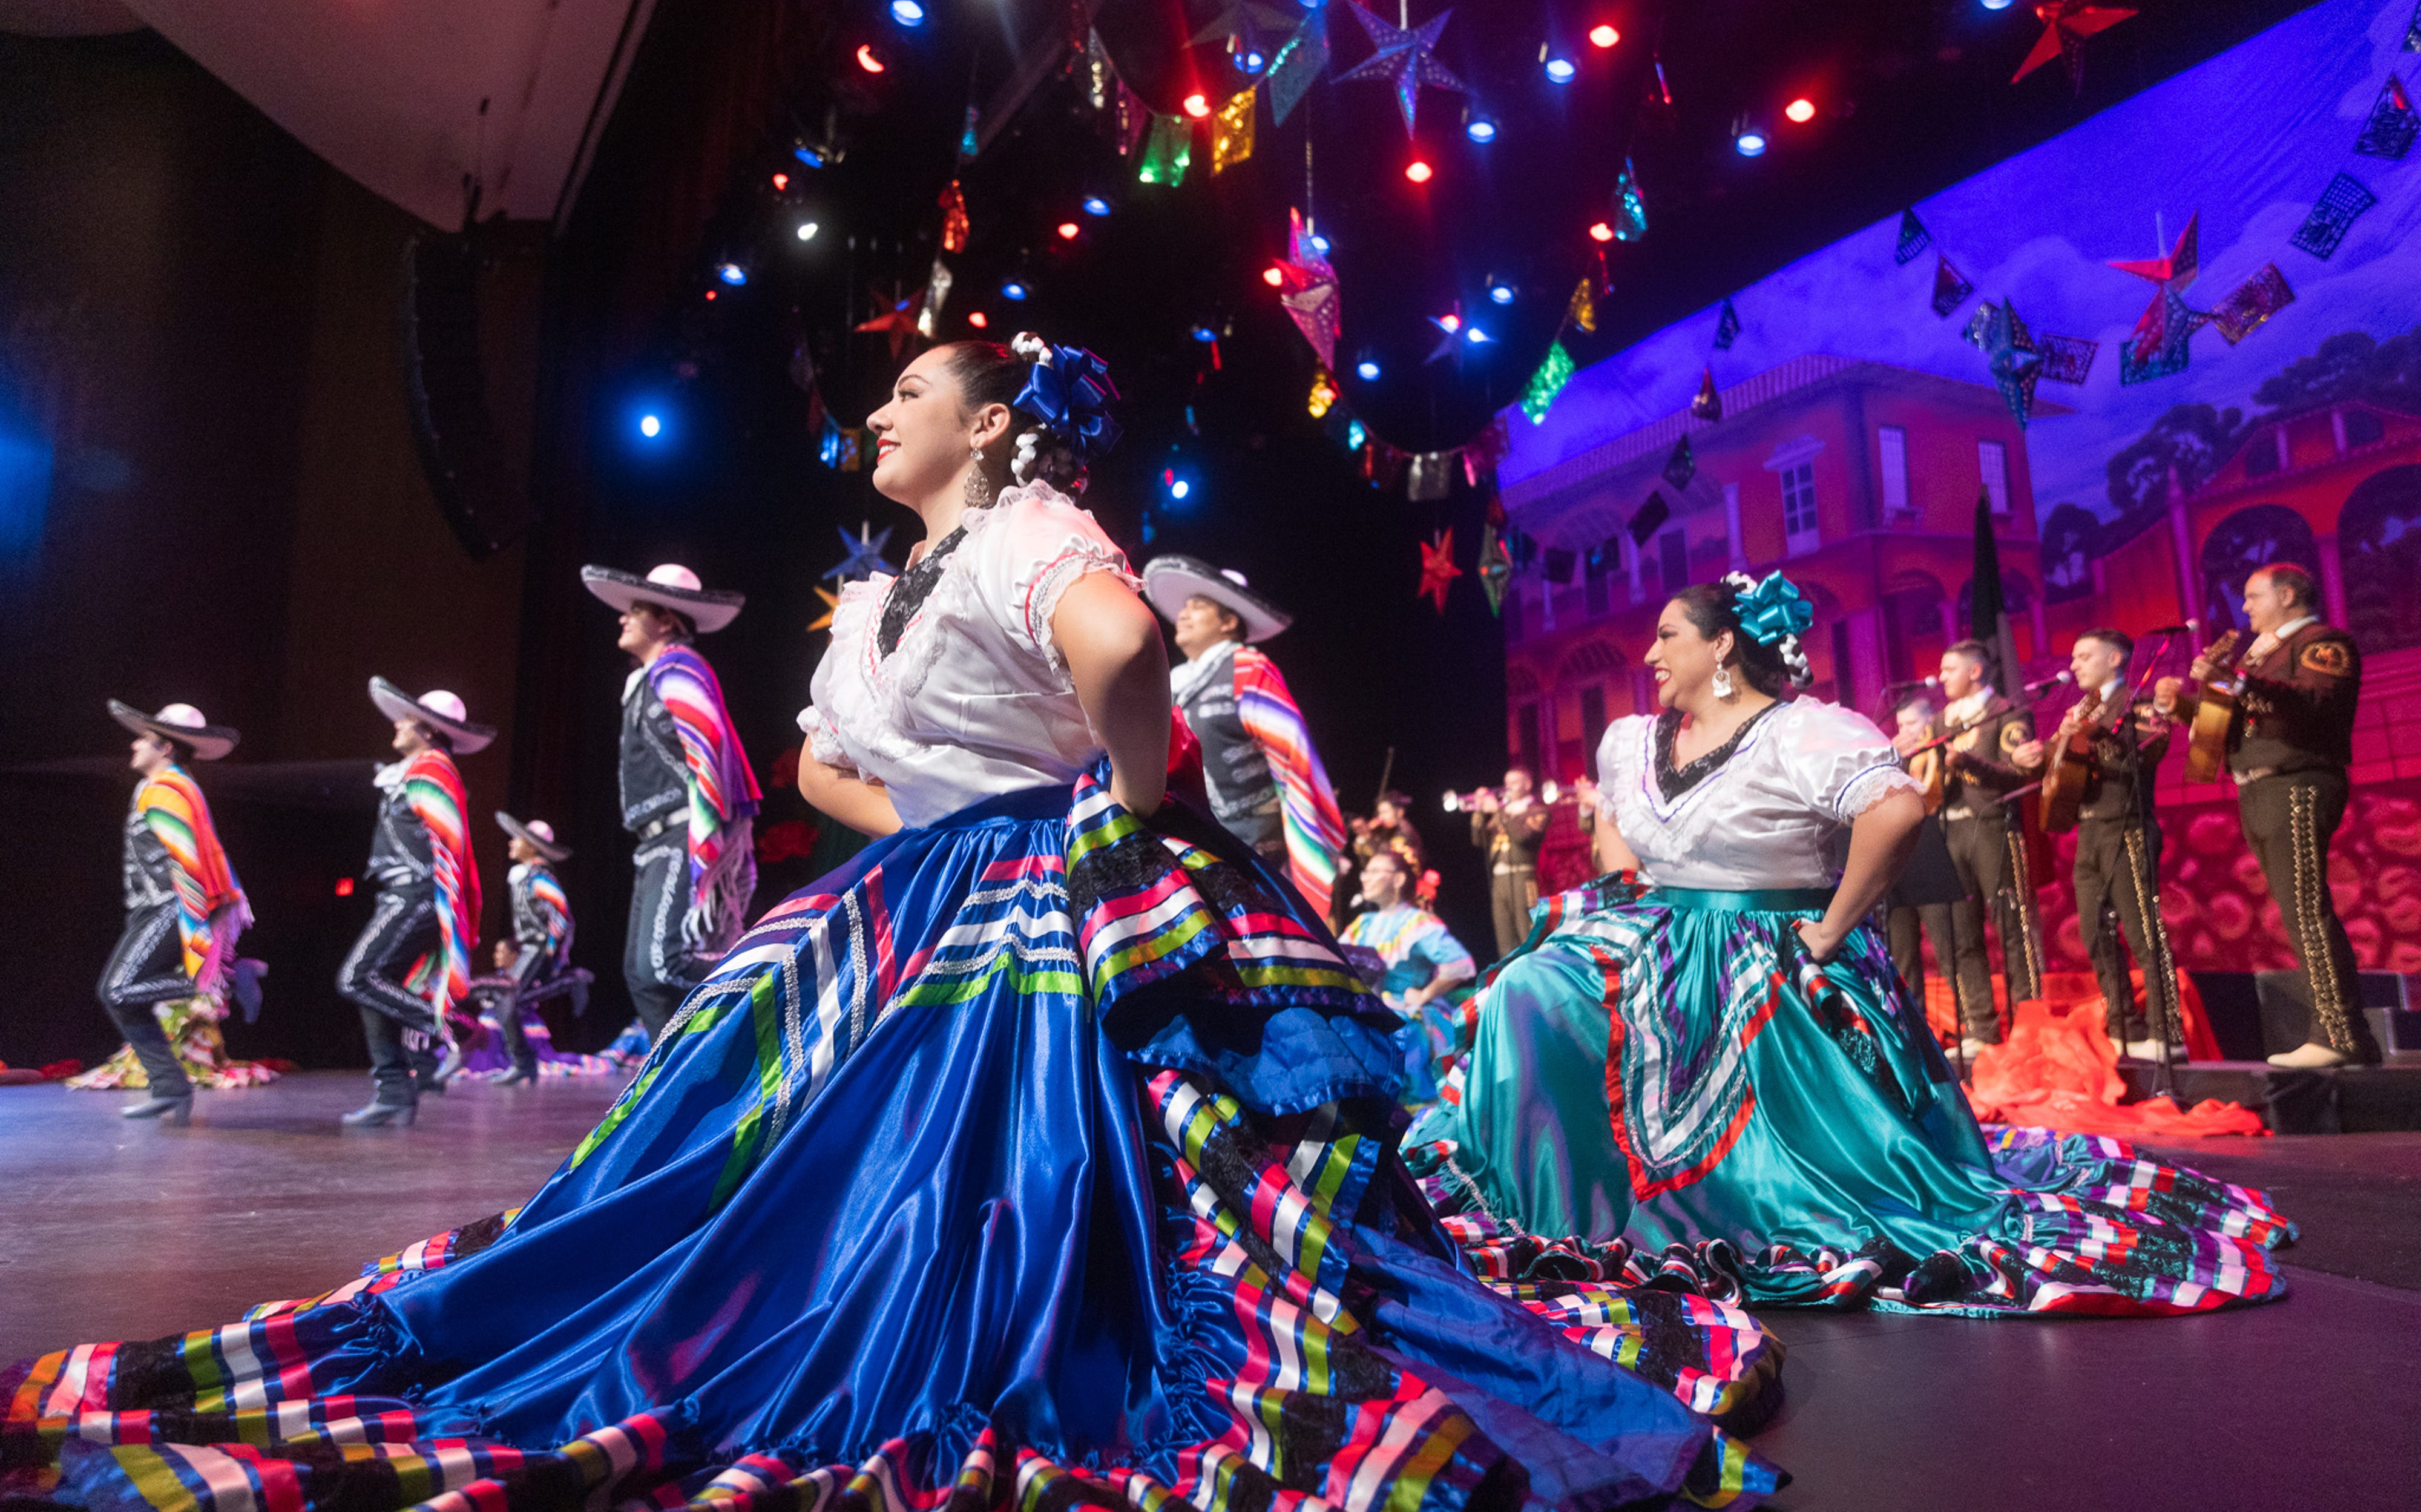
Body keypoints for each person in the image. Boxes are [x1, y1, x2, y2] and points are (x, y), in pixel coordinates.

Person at [9, 334, 1787, 1512]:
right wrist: (987, 817)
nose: (878, 416)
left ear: (987, 426)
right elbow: (830, 763)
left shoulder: (1026, 532)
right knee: (822, 1161)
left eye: (910, 394)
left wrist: (1122, 812)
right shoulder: (884, 593)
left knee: (1000, 1169)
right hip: (958, 879)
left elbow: (1122, 655)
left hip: (1024, 884)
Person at [1409, 572, 2290, 1315]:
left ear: (1722, 646)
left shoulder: (1804, 729)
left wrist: (1830, 927)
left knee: (1781, 1092)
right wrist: (1627, 912)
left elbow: (1898, 807)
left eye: (1668, 636)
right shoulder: (1633, 740)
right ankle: (1557, 1202)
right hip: (1661, 938)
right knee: (1525, 987)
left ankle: (1723, 1200)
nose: (1650, 656)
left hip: (1771, 946)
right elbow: (1618, 835)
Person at [2157, 563, 2374, 1068]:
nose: (2246, 608)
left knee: (2305, 907)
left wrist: (2233, 678)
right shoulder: (2264, 654)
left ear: (2289, 595)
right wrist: (2184, 708)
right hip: (2259, 785)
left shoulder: (2322, 641)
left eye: (2254, 597)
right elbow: (2231, 723)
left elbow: (2311, 704)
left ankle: (2341, 1034)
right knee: (2296, 908)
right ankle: (2339, 1031)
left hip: (2297, 780)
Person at [580, 561, 763, 1042]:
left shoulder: (678, 665)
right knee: (643, 973)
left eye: (635, 611)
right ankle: (674, 1087)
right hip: (657, 838)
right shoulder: (649, 679)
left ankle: (762, 986)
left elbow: (708, 750)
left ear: (665, 621)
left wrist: (709, 839)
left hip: (685, 830)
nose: (622, 619)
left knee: (663, 963)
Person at [82, 701, 260, 1123]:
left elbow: (191, 861)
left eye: (142, 739)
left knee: (118, 991)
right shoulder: (164, 785)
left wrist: (197, 928)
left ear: (164, 747)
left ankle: (226, 980)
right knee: (122, 997)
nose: (134, 744)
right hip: (151, 906)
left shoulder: (169, 789)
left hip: (171, 906)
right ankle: (171, 1087)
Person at [1143, 554, 1348, 919]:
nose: (1184, 615)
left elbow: (1293, 759)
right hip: (1192, 854)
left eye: (1199, 606)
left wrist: (1306, 855)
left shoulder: (1248, 669)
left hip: (1256, 861)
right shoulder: (1170, 685)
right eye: (1184, 608)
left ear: (1229, 622)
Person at [2015, 629, 2181, 1060]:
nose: (2074, 665)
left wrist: (2089, 732)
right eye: (2074, 656)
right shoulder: (2081, 709)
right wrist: (2039, 756)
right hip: (2088, 830)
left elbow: (2141, 754)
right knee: (2094, 932)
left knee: (2144, 931)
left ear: (2114, 659)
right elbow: (2064, 765)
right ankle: (2124, 1026)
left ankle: (2168, 1032)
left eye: (2084, 656)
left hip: (2125, 825)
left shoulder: (2134, 702)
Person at [333, 679, 490, 1126]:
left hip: (418, 893)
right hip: (400, 894)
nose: (397, 726)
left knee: (358, 978)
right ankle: (395, 1093)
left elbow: (448, 841)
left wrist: (441, 901)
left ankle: (458, 1027)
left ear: (427, 729)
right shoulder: (415, 770)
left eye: (406, 720)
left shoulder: (433, 769)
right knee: (375, 989)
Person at [1934, 639, 2038, 1045]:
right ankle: (1979, 1025)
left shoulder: (2006, 714)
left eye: (1949, 669)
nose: (1941, 677)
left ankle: (2030, 1022)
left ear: (1975, 671)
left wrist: (1969, 762)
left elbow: (2018, 775)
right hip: (1950, 829)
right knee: (1960, 933)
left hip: (1993, 826)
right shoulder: (1942, 721)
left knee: (2010, 924)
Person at [1339, 844, 1478, 1106]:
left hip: (1405, 1014)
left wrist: (1426, 993)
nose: (1364, 877)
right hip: (1365, 1011)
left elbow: (1460, 964)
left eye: (1374, 871)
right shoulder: (1362, 925)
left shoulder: (1417, 923)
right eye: (1364, 872)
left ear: (1399, 879)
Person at [465, 812, 586, 1085]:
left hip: (538, 949)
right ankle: (523, 1063)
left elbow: (562, 916)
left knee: (506, 998)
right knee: (506, 1001)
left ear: (530, 847)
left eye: (516, 841)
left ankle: (524, 1062)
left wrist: (555, 951)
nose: (511, 845)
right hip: (529, 948)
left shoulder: (540, 878)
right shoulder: (523, 877)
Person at [1882, 695, 1968, 1054]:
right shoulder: (1900, 759)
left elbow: (1939, 794)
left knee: (1950, 944)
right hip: (1904, 858)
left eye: (1912, 725)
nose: (1906, 733)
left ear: (1930, 722)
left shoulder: (1942, 750)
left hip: (1938, 853)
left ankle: (1970, 1024)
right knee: (1902, 952)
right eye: (1900, 726)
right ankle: (1912, 1026)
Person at [1467, 767, 1550, 960]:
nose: (1508, 788)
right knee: (1504, 936)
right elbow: (1479, 840)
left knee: (1528, 931)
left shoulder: (1538, 810)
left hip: (1524, 878)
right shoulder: (1502, 812)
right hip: (1500, 879)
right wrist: (1479, 811)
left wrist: (1498, 811)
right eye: (1507, 783)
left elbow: (1522, 837)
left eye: (1514, 783)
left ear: (1527, 785)